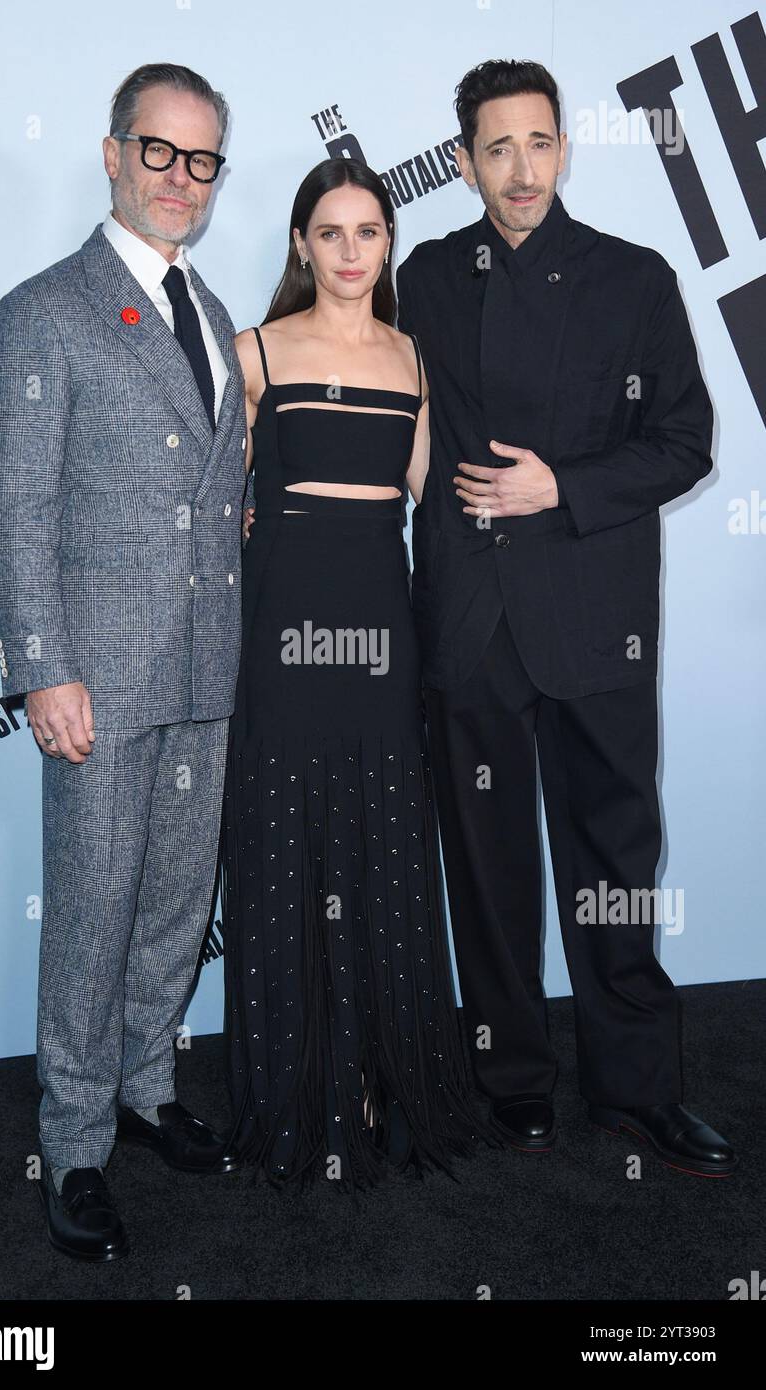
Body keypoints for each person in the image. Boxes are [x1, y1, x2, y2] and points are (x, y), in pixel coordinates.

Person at [396, 59, 737, 1176]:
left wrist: (565, 486)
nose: (519, 167)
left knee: (610, 860)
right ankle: (509, 1080)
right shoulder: (429, 275)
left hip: (593, 618)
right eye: (494, 148)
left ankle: (635, 1089)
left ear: (564, 146)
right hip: (469, 619)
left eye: (536, 142)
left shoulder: (631, 277)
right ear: (462, 163)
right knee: (486, 871)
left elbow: (685, 441)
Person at [0, 63, 247, 1261]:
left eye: (201, 161)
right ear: (110, 153)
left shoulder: (211, 308)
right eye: (158, 152)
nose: (179, 179)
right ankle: (74, 1143)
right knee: (89, 912)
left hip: (204, 671)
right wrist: (43, 665)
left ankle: (146, 1087)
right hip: (99, 677)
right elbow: (13, 503)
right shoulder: (43, 311)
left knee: (174, 909)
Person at [219, 158, 499, 1191]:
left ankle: (386, 1078)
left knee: (381, 844)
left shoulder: (413, 361)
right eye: (328, 232)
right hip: (282, 638)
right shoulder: (252, 352)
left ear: (386, 245)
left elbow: (435, 503)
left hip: (382, 639)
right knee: (286, 846)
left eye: (366, 233)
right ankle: (295, 1091)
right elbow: (208, 503)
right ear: (299, 243)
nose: (347, 252)